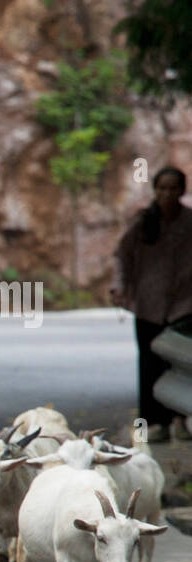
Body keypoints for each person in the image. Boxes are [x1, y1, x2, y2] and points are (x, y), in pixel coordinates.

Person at [112, 165, 192, 442]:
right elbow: (122, 256)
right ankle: (152, 424)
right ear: (154, 190)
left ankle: (180, 419)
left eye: (173, 188)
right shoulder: (143, 222)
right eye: (162, 188)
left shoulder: (189, 222)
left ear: (182, 190)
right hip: (148, 307)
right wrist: (120, 287)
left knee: (181, 366)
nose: (167, 193)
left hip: (184, 308)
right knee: (149, 366)